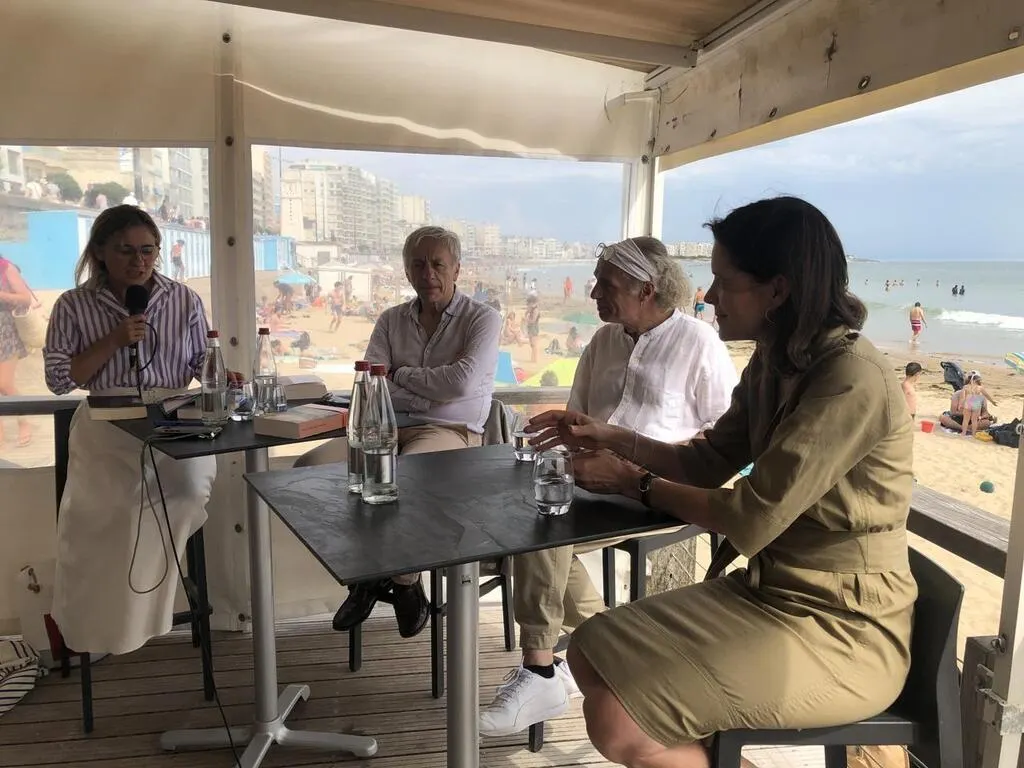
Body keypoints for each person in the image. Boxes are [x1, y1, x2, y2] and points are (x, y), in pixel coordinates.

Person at [525, 197, 916, 768]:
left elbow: (752, 517)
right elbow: (709, 459)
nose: (707, 297)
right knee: (591, 648)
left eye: (724, 282)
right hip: (768, 592)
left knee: (618, 722)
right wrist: (611, 436)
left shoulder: (850, 378)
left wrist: (636, 485)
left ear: (777, 290)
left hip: (843, 627)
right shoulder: (775, 363)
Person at [480, 237, 738, 737]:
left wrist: (635, 464)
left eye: (607, 283)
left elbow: (723, 436)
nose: (595, 292)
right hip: (594, 484)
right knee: (523, 514)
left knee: (540, 526)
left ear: (647, 287)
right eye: (597, 281)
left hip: (660, 491)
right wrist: (567, 429)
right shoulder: (603, 341)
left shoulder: (698, 341)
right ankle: (604, 653)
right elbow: (585, 417)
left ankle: (539, 666)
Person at [294, 226, 501, 639]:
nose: (428, 274)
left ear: (457, 268)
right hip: (385, 426)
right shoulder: (391, 320)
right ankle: (378, 574)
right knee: (307, 472)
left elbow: (459, 385)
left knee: (400, 481)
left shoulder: (484, 319)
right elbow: (372, 384)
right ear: (406, 271)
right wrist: (424, 392)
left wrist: (402, 377)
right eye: (418, 265)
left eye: (438, 264)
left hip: (451, 432)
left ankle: (389, 582)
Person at [43, 205, 230, 656]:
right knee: (103, 512)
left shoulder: (183, 299)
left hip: (172, 423)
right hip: (106, 426)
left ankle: (149, 613)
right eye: (125, 250)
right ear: (100, 252)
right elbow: (59, 380)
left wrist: (219, 376)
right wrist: (113, 339)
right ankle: (96, 629)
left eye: (147, 250)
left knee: (187, 492)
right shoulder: (73, 304)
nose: (138, 260)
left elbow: (194, 367)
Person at [0, 255, 34, 447]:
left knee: (4, 384)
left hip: (5, 334)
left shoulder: (6, 268)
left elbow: (25, 298)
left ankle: (23, 420)